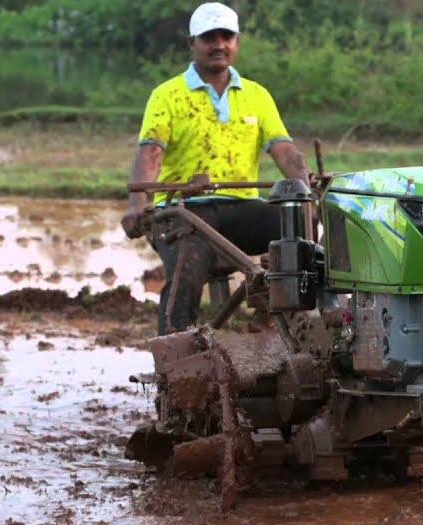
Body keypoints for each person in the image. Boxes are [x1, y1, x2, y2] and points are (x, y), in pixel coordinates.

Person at [120, 1, 311, 335]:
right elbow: (150, 154)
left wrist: (307, 188)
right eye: (209, 37)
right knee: (187, 260)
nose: (219, 44)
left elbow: (283, 151)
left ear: (236, 42)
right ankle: (176, 354)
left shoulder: (256, 95)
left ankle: (276, 320)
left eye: (227, 36)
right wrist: (138, 208)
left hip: (241, 207)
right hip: (182, 212)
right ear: (192, 43)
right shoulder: (167, 96)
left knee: (300, 231)